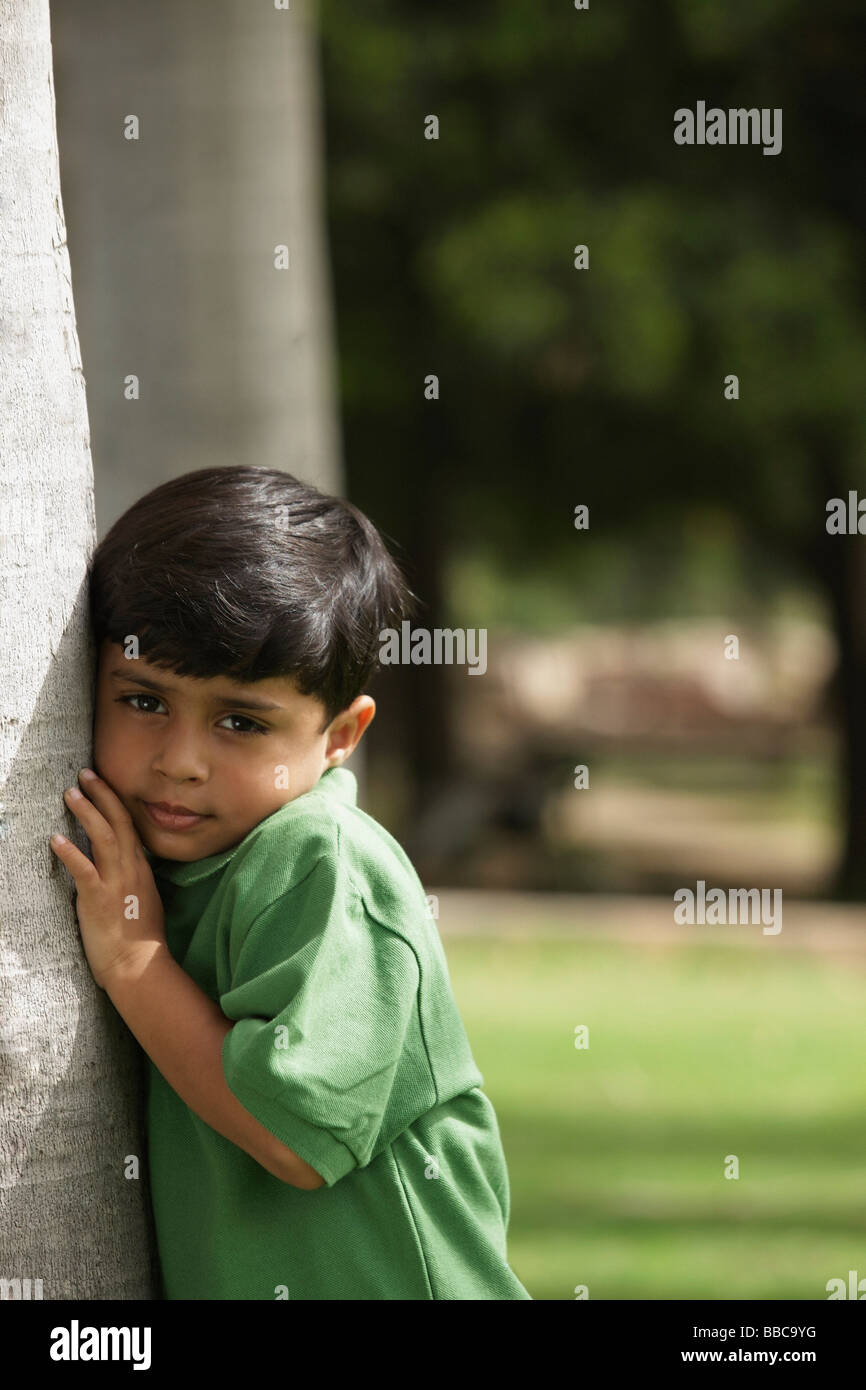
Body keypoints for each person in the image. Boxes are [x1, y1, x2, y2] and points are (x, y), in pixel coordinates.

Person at [50, 466, 531, 1301]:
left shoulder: (321, 859)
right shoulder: (172, 856)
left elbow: (296, 1134)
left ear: (340, 735)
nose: (180, 761)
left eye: (241, 721)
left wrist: (135, 960)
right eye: (143, 701)